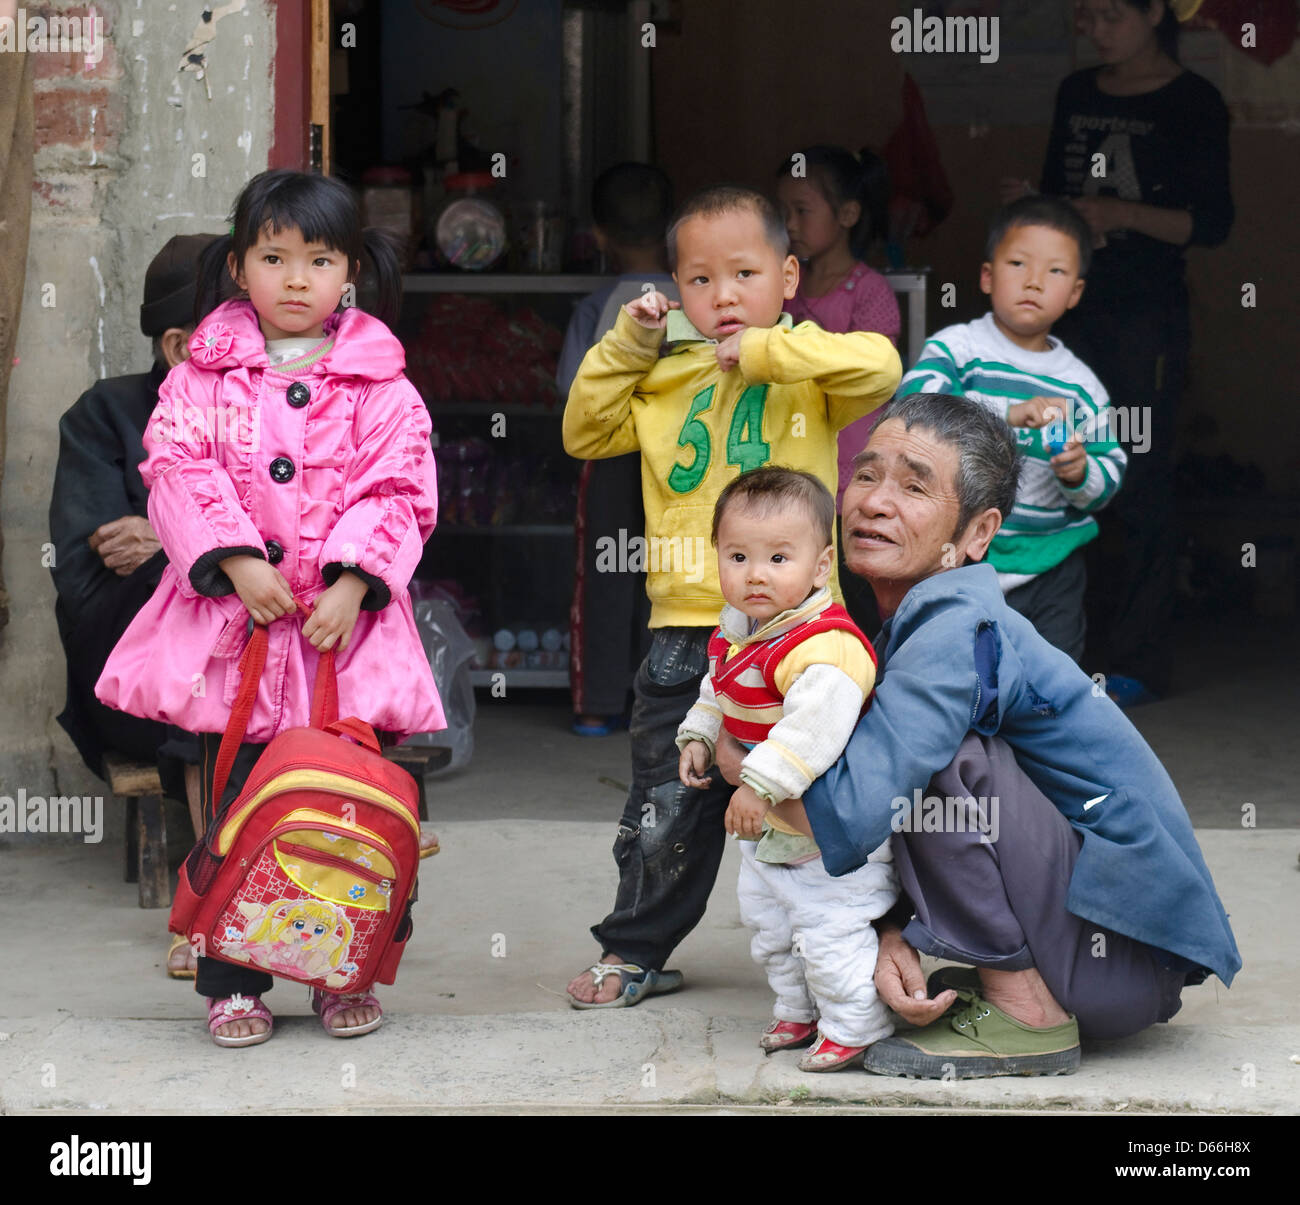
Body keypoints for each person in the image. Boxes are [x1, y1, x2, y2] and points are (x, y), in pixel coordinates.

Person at [713, 391, 1239, 1078]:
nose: (873, 501)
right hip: (1109, 943)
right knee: (902, 753)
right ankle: (1025, 985)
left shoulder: (956, 627)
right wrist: (887, 932)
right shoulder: (893, 625)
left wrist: (737, 767)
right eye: (866, 475)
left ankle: (1028, 1012)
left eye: (913, 486)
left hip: (1126, 951)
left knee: (949, 765)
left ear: (977, 535)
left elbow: (861, 801)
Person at [95, 169, 444, 1047]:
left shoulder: (384, 386)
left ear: (348, 273)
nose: (296, 279)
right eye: (274, 256)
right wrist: (237, 561)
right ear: (239, 267)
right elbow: (177, 468)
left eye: (318, 259)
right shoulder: (201, 378)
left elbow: (399, 488)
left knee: (347, 808)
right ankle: (234, 979)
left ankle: (343, 971)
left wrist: (355, 581)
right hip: (235, 636)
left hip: (343, 641)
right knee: (239, 810)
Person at [562, 184, 902, 1007]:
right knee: (669, 796)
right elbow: (584, 429)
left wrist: (764, 352)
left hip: (806, 628)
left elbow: (884, 366)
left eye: (745, 274)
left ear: (788, 276)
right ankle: (635, 948)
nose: (723, 297)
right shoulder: (661, 374)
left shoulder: (805, 362)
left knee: (819, 783)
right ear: (677, 290)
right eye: (701, 280)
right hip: (689, 625)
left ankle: (848, 950)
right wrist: (628, 347)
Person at [1006, 0, 1233, 702]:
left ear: (1154, 14)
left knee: (1135, 474)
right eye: (1086, 16)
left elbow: (1212, 222)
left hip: (1144, 318)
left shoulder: (1195, 101)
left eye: (1110, 16)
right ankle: (1063, 647)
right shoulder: (1076, 92)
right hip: (1068, 306)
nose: (1093, 30)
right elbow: (1061, 198)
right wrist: (1039, 207)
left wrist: (1119, 215)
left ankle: (1135, 657)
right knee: (1054, 465)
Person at [49, 232, 229, 980]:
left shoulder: (264, 410)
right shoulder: (105, 412)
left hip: (226, 662)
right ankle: (213, 905)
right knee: (203, 597)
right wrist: (201, 545)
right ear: (181, 343)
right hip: (123, 669)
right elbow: (108, 560)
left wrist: (170, 528)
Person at [676, 468, 895, 1071]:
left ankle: (855, 1024)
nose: (755, 574)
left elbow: (812, 732)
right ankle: (797, 1011)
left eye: (778, 557)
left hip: (826, 826)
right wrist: (700, 732)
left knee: (829, 931)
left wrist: (755, 784)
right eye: (738, 555)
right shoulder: (737, 628)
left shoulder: (824, 645)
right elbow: (716, 687)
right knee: (770, 926)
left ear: (821, 566)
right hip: (769, 826)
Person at [898, 196, 1126, 663]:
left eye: (1055, 272)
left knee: (1049, 686)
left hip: (1052, 564)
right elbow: (915, 409)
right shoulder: (958, 347)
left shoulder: (1081, 385)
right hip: (960, 556)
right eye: (1018, 263)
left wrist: (1078, 472)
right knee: (959, 673)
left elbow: (1110, 477)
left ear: (1076, 293)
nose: (1034, 281)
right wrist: (1006, 411)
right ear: (987, 276)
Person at [556, 163, 675, 737]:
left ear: (600, 235)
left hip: (608, 455)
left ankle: (599, 703)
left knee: (605, 572)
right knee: (674, 572)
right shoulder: (695, 298)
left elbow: (569, 388)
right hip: (683, 458)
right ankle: (672, 698)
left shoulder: (599, 304)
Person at [775, 145, 900, 636]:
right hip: (790, 467)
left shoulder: (869, 292)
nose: (789, 224)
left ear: (848, 214)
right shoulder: (779, 285)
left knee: (855, 605)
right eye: (781, 211)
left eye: (802, 211)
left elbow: (869, 370)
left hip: (850, 479)